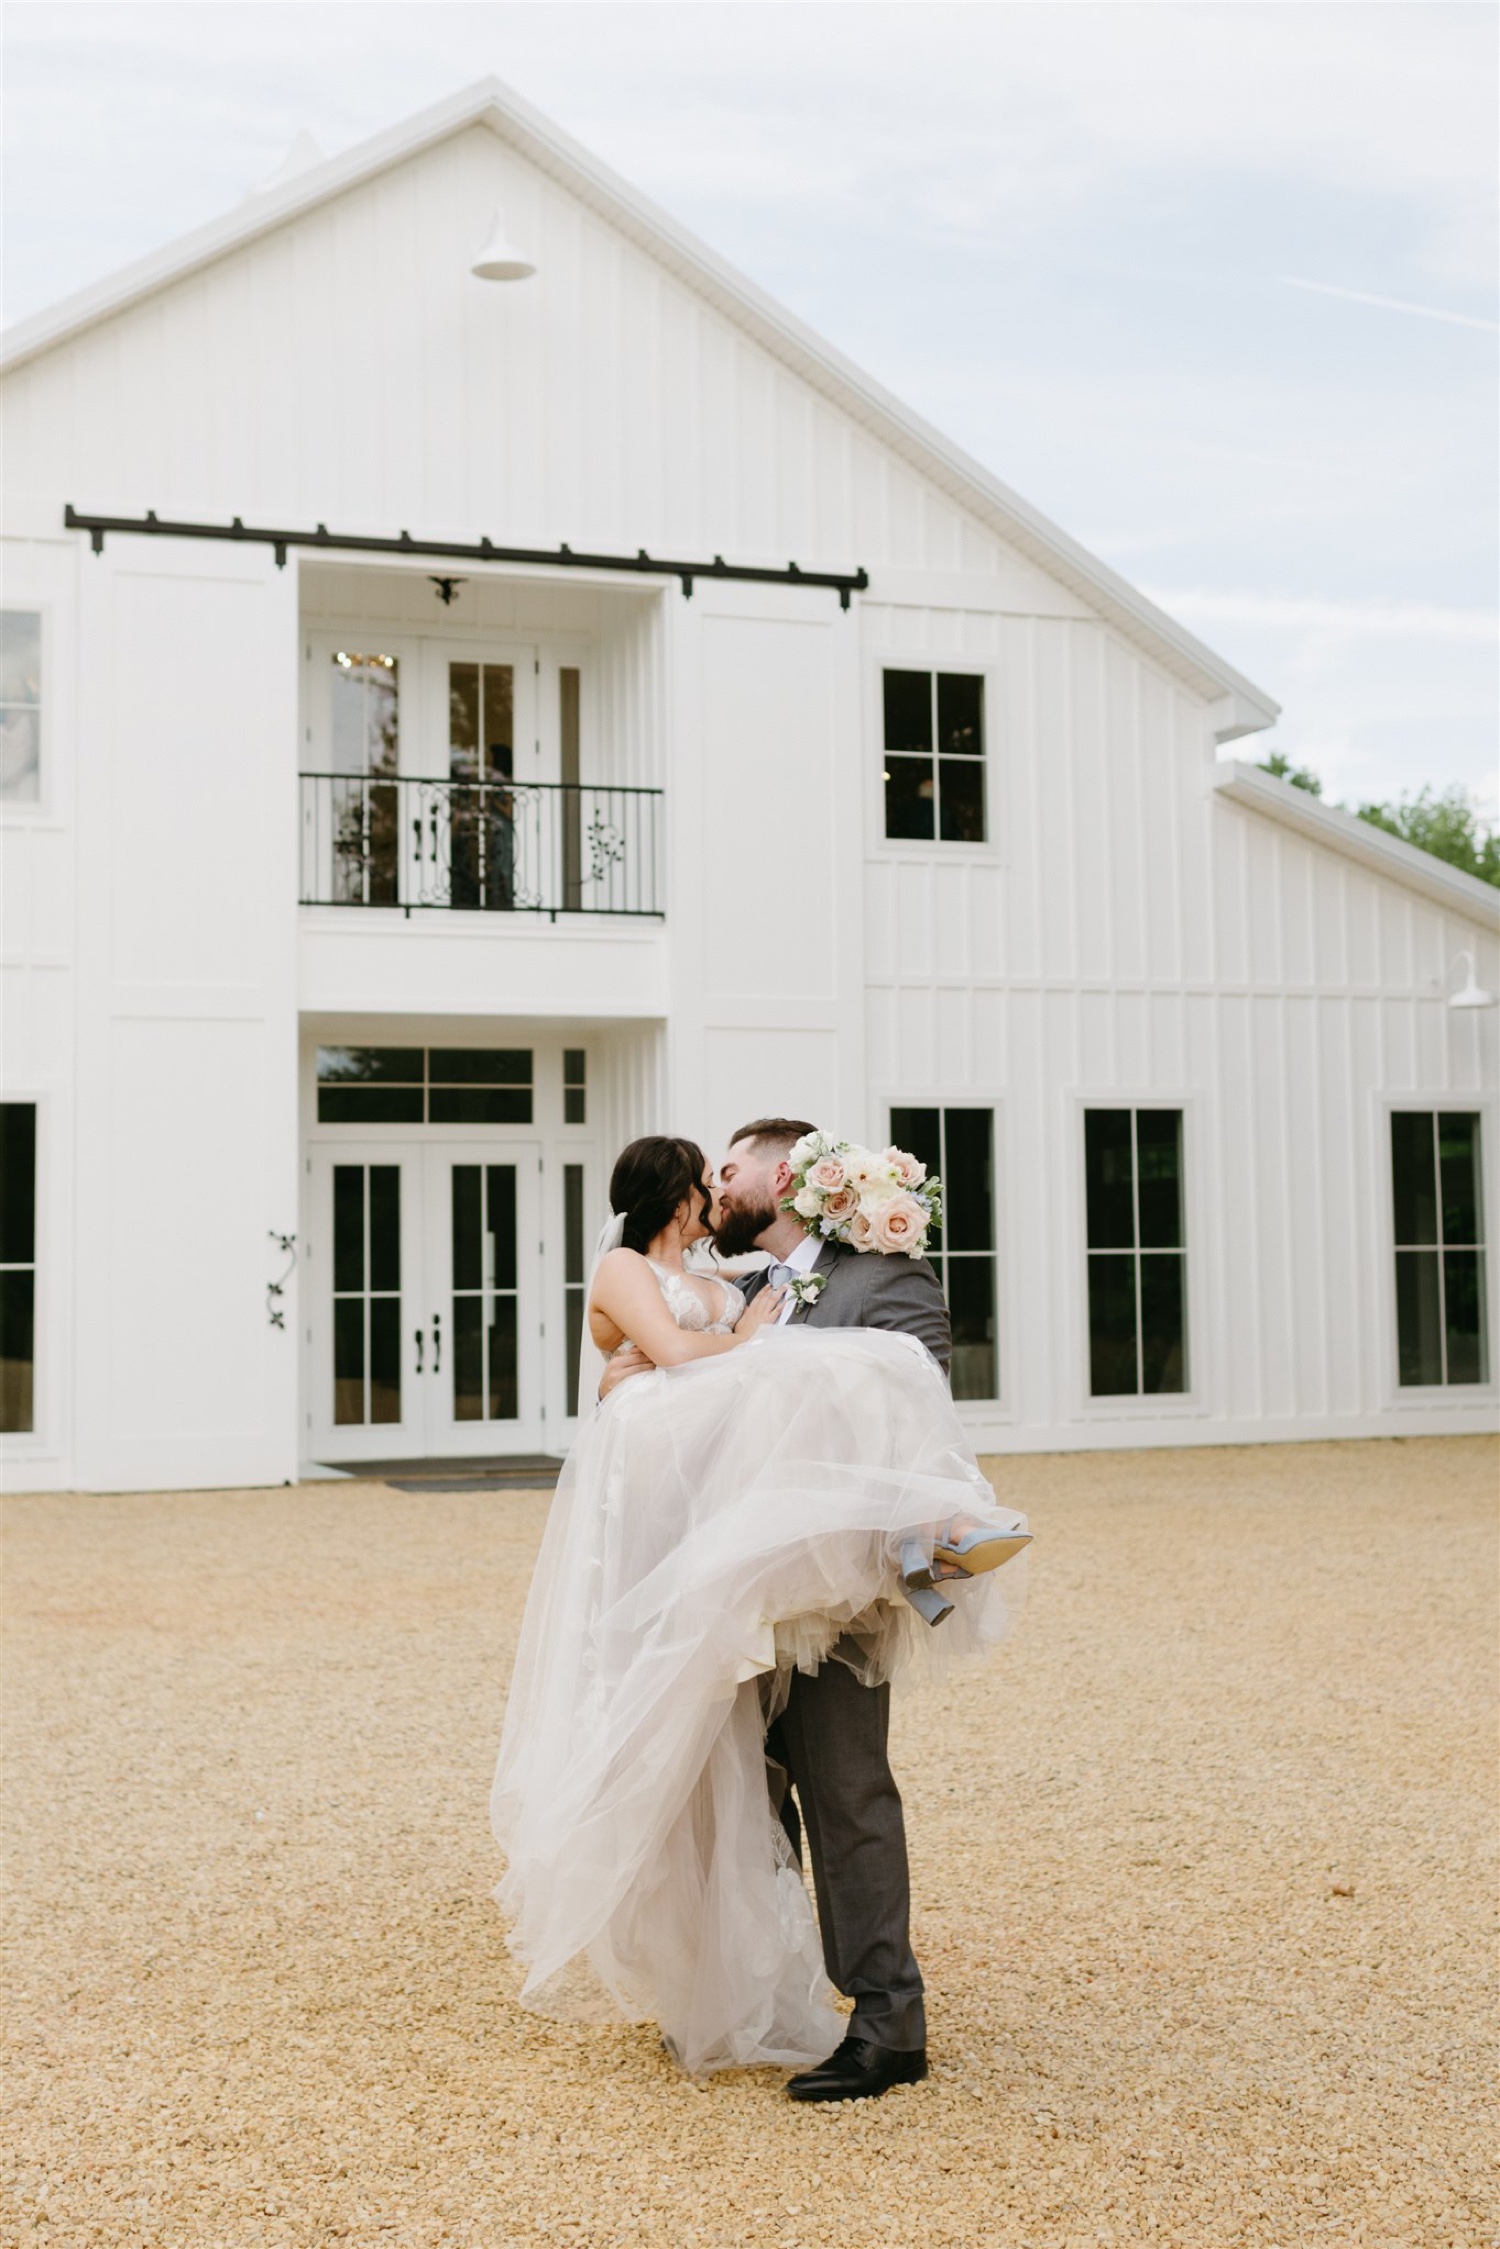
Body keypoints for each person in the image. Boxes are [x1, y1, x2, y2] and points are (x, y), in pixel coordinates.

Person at [492, 1129, 1026, 2092]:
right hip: (726, 1586)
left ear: (782, 1174)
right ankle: (750, 1995)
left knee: (846, 1793)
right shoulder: (740, 1286)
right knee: (739, 1796)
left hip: (831, 1593)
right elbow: (705, 1400)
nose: (716, 1187)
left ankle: (888, 2022)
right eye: (707, 1177)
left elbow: (922, 1402)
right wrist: (635, 1385)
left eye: (729, 1169)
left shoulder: (880, 1277)